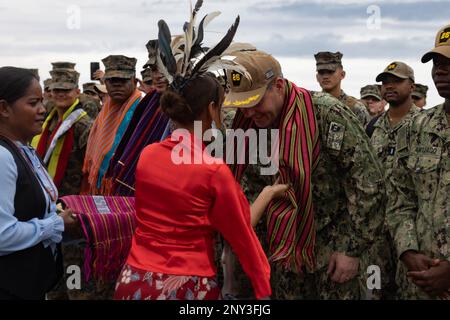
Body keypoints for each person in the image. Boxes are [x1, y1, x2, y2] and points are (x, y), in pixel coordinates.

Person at [115, 4, 275, 300]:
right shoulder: (213, 171)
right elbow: (241, 237)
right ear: (213, 110)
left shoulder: (148, 155)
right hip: (186, 286)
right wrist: (263, 289)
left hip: (134, 279)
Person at [223, 49, 386, 300]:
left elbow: (368, 183)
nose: (249, 113)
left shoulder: (325, 114)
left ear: (277, 86)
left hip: (332, 251)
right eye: (242, 106)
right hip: (280, 254)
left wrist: (351, 250)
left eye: (255, 102)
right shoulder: (247, 125)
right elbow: (248, 187)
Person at [0, 66, 77, 300]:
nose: (43, 110)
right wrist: (55, 224)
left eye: (42, 102)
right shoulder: (3, 156)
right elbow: (2, 235)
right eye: (33, 103)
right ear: (3, 108)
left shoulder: (23, 149)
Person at [386, 24, 450, 300]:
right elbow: (400, 196)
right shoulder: (418, 126)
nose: (440, 70)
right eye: (437, 62)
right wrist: (408, 251)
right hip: (417, 282)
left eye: (449, 63)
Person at [369, 61, 422, 299]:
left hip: (412, 233)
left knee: (409, 290)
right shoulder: (372, 127)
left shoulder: (425, 125)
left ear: (412, 86)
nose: (389, 86)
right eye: (385, 82)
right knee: (375, 291)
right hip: (376, 230)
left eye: (396, 81)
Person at [82, 55, 142, 194]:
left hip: (131, 188)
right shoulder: (105, 112)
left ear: (135, 82)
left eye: (123, 80)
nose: (117, 85)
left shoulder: (142, 110)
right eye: (111, 80)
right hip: (103, 192)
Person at [314, 51, 371, 126]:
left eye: (330, 72)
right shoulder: (310, 106)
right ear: (317, 77)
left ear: (342, 75)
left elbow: (366, 137)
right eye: (321, 72)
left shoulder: (355, 108)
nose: (325, 76)